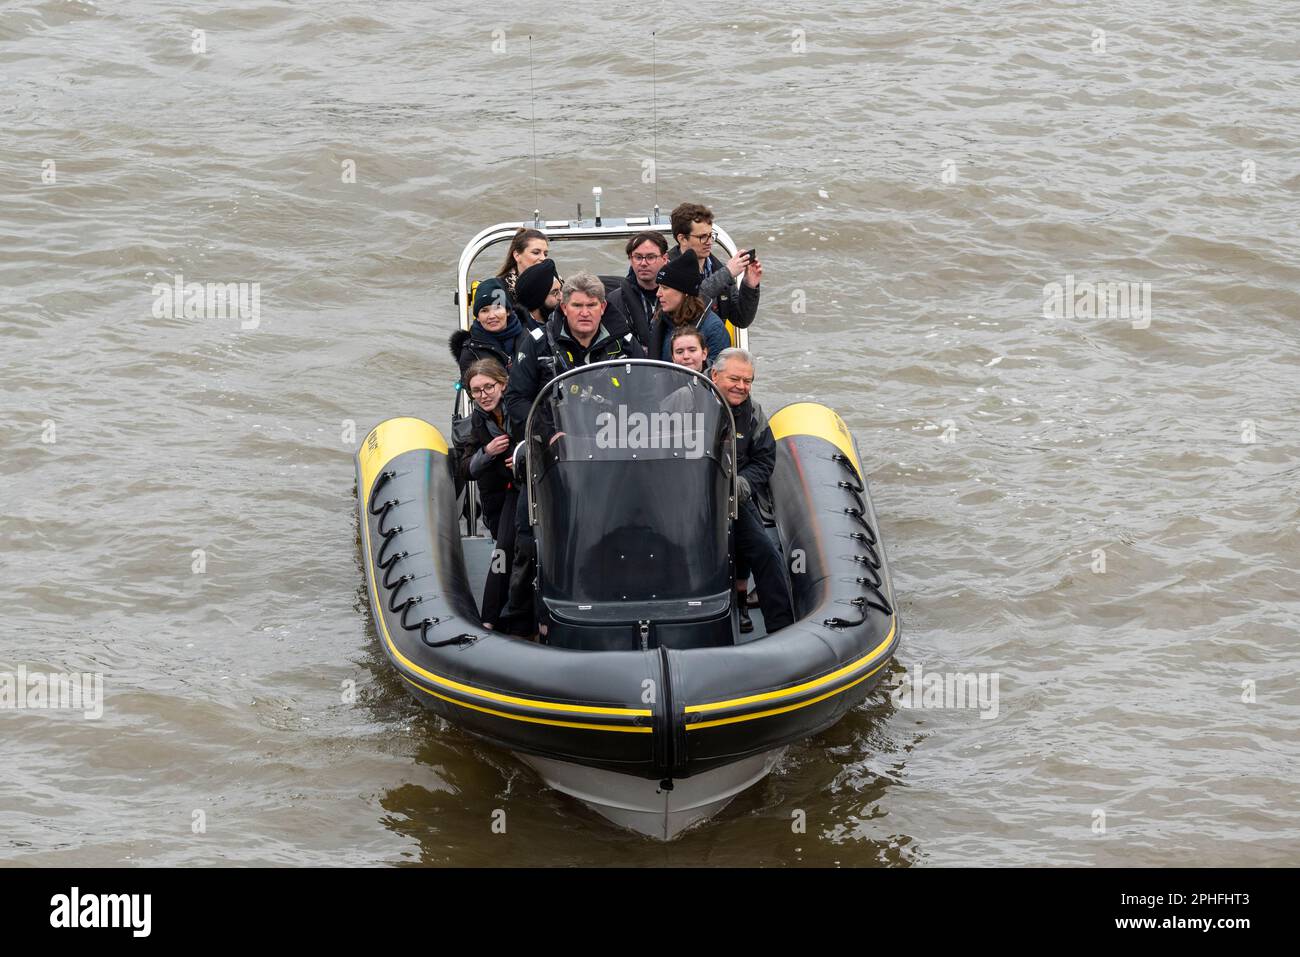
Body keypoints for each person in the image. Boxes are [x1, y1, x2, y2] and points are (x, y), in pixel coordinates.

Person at [500, 273, 646, 635]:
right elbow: (515, 401)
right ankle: (523, 625)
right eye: (577, 305)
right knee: (526, 543)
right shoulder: (534, 344)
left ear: (603, 308)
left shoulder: (625, 346)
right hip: (550, 458)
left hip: (613, 457)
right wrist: (549, 435)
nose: (584, 312)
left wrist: (622, 430)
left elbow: (647, 397)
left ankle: (619, 610)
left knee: (624, 533)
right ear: (563, 307)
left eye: (591, 306)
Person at [712, 348, 793, 635]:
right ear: (714, 375)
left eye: (748, 381)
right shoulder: (684, 403)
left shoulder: (754, 413)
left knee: (766, 552)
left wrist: (740, 486)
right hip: (685, 499)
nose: (741, 387)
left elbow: (764, 459)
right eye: (735, 379)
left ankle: (782, 630)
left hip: (733, 498)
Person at [452, 360, 522, 632]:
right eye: (476, 391)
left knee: (516, 548)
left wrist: (521, 455)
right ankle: (491, 618)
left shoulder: (520, 411)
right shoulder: (478, 424)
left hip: (525, 489)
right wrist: (488, 452)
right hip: (499, 495)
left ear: (503, 385)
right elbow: (466, 469)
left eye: (488, 387)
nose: (484, 395)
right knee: (503, 550)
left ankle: (498, 616)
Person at [668, 202, 761, 331]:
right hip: (681, 346)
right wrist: (727, 273)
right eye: (702, 237)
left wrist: (749, 286)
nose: (709, 242)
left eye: (711, 236)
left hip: (714, 344)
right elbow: (686, 308)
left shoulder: (718, 269)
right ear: (682, 239)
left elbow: (741, 319)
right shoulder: (666, 269)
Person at [649, 253, 730, 364]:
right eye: (659, 287)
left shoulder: (714, 328)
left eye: (665, 288)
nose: (658, 294)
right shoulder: (660, 320)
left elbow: (720, 372)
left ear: (685, 292)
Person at [448, 277, 526, 377]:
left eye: (497, 308)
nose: (492, 316)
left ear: (508, 311)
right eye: (484, 311)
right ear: (478, 317)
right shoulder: (470, 352)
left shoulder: (529, 337)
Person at [605, 231, 667, 349]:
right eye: (638, 257)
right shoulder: (614, 300)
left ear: (664, 258)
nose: (643, 263)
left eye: (651, 257)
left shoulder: (678, 297)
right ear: (630, 259)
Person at [495, 227, 550, 295]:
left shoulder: (555, 283)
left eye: (545, 254)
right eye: (536, 252)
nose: (543, 258)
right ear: (517, 256)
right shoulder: (498, 288)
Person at [513, 258, 561, 330]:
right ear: (537, 298)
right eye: (555, 292)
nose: (561, 297)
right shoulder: (524, 334)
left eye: (561, 290)